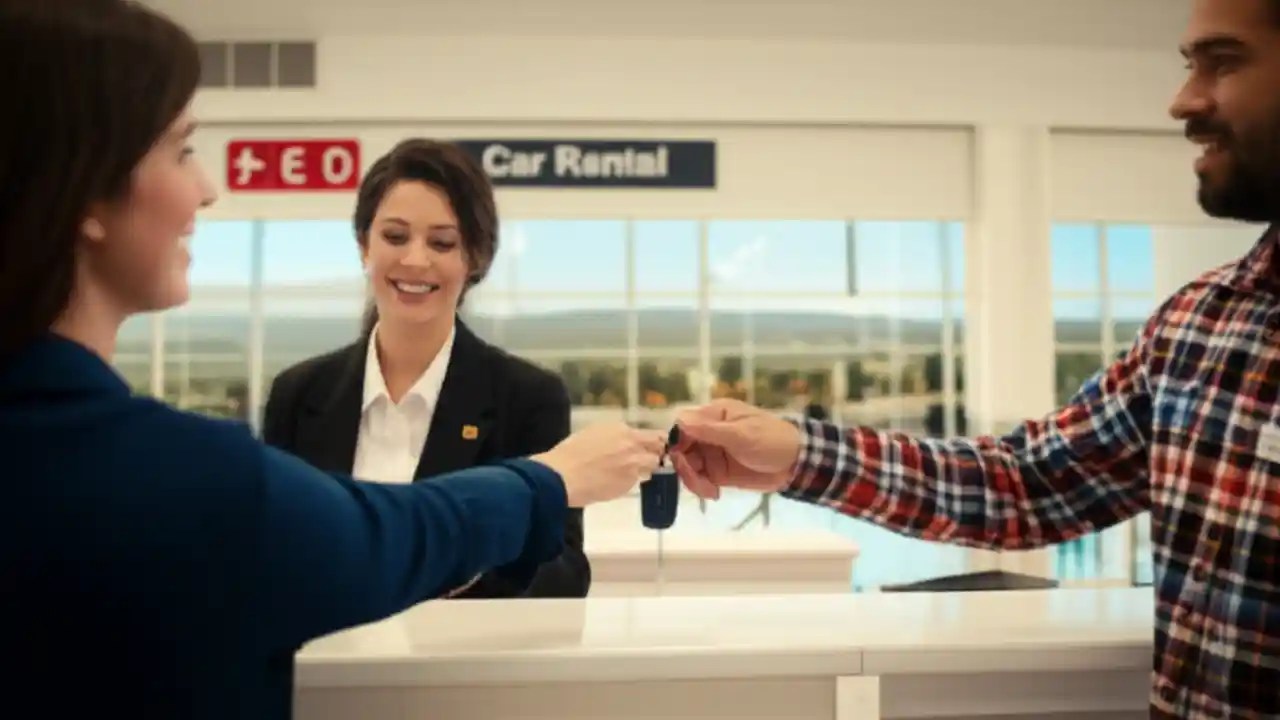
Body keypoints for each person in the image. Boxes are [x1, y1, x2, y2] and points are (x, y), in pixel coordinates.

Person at [0, 2, 664, 718]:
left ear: (475, 261)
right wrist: (549, 480)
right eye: (180, 148)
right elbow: (372, 538)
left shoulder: (521, 391)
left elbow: (542, 570)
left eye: (443, 242)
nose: (207, 189)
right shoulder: (203, 472)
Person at [670, 1, 1280, 717]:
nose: (1183, 100)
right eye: (1190, 65)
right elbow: (1028, 483)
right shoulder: (1203, 326)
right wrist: (799, 454)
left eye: (1224, 61)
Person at [264, 139, 589, 599]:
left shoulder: (527, 398)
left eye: (442, 242)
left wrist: (449, 567)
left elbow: (565, 574)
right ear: (364, 246)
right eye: (395, 237)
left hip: (460, 666)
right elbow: (268, 552)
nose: (415, 259)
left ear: (474, 258)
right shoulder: (297, 394)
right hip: (325, 664)